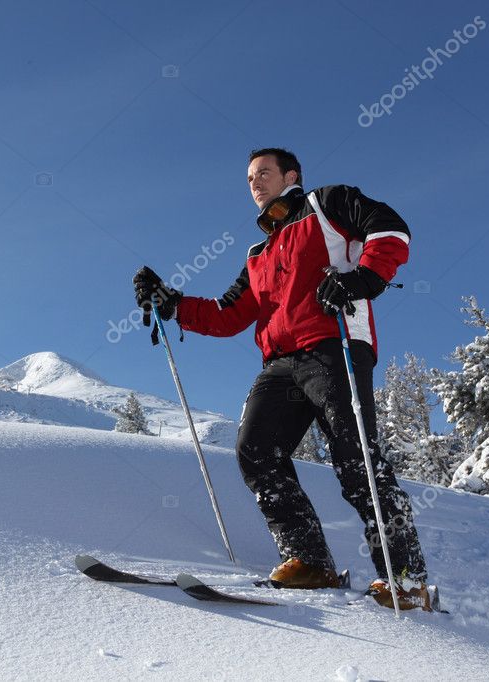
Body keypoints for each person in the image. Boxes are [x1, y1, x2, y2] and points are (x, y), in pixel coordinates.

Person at [133, 148, 433, 610]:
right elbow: (228, 314)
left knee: (358, 465)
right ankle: (310, 562)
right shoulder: (259, 252)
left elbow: (391, 230)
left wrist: (363, 277)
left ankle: (406, 580)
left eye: (264, 173)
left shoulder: (328, 204)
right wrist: (172, 303)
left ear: (291, 175)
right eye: (250, 178)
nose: (255, 183)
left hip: (334, 346)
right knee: (256, 452)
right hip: (280, 363)